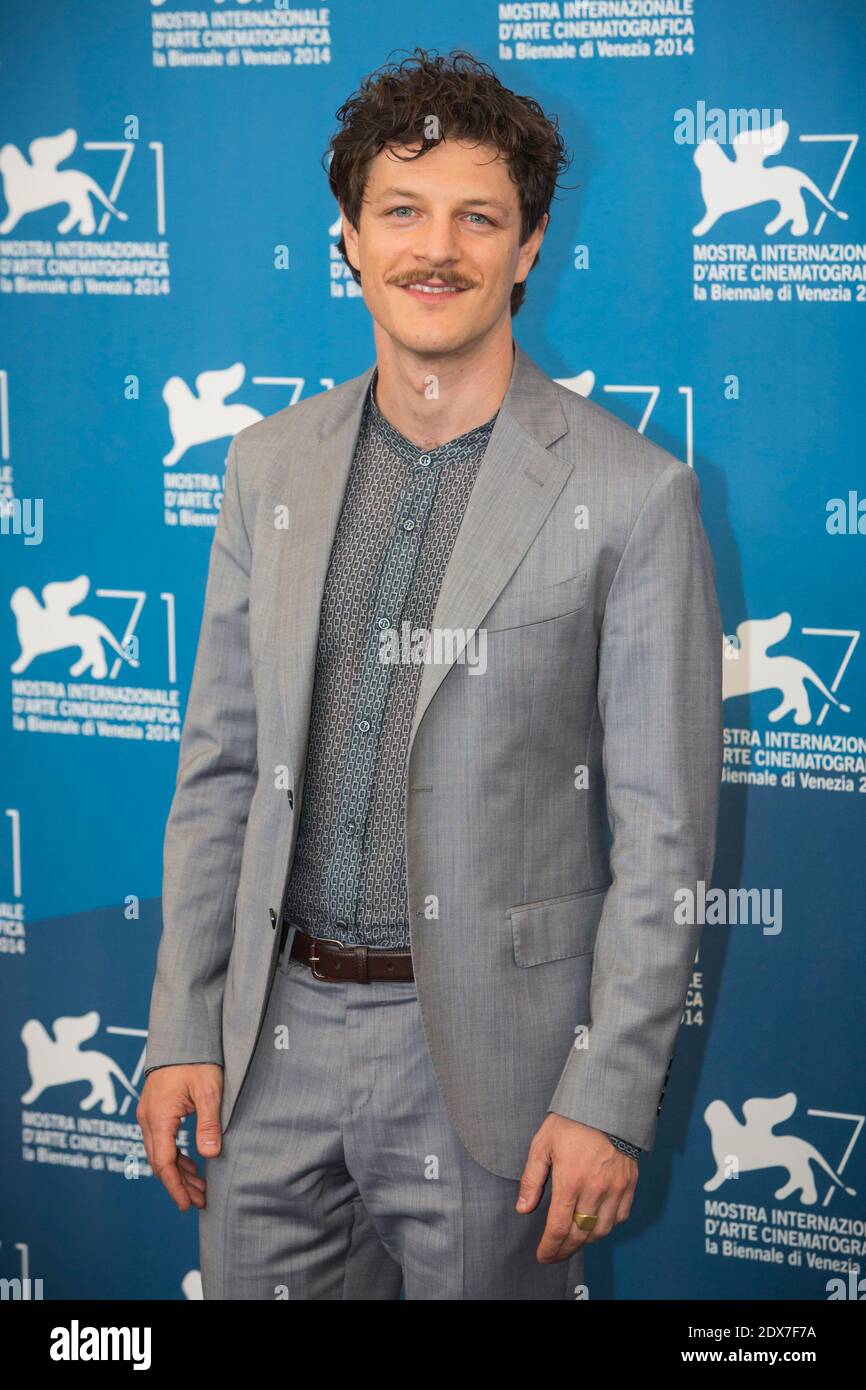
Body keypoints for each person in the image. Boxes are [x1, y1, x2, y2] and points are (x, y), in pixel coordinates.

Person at [138, 48, 722, 1300]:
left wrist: (607, 1093)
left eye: (477, 217)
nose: (435, 250)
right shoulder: (265, 466)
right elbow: (220, 772)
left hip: (491, 1067)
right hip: (266, 1050)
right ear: (348, 240)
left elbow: (664, 835)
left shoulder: (631, 494)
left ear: (528, 245)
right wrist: (183, 1021)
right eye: (401, 211)